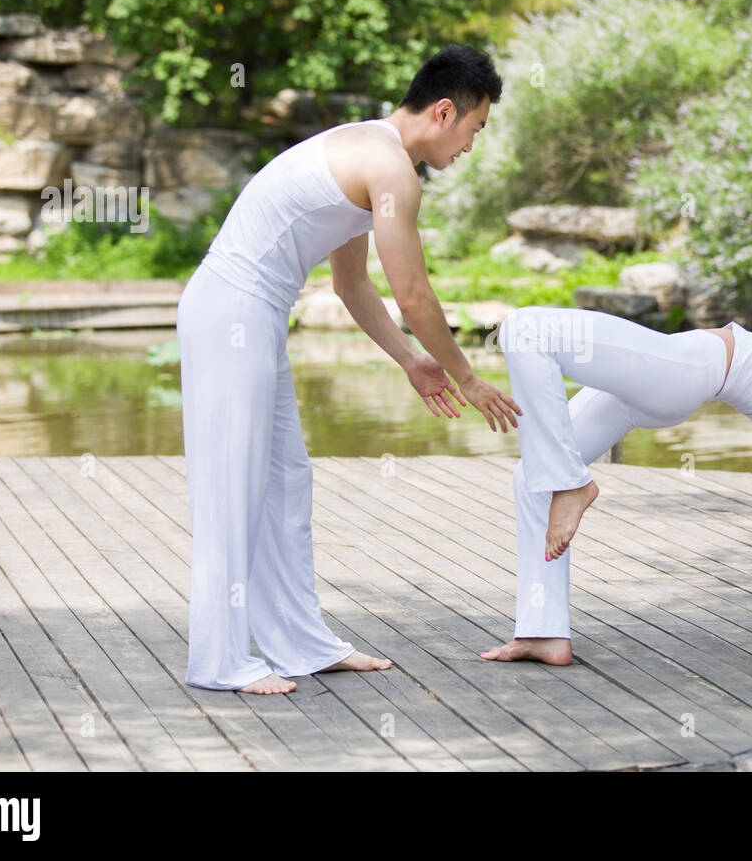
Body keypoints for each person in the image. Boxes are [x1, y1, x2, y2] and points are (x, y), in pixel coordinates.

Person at [178, 45, 521, 694]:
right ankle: (219, 661)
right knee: (234, 487)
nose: (470, 146)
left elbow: (351, 283)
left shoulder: (369, 151)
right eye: (474, 129)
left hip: (251, 315)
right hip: (231, 309)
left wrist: (414, 361)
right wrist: (470, 379)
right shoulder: (390, 168)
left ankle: (301, 644)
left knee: (283, 482)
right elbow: (414, 292)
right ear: (445, 111)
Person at [480, 305, 752, 666]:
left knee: (524, 328)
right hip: (668, 379)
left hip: (682, 375)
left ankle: (571, 484)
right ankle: (544, 632)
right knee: (533, 476)